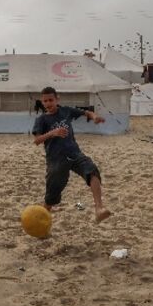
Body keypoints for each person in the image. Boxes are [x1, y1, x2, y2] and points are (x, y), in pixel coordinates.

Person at [31, 87, 112, 223]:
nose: (48, 103)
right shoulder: (42, 120)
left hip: (74, 154)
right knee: (52, 196)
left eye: (51, 100)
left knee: (92, 171)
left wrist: (94, 117)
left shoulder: (66, 111)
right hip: (56, 160)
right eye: (45, 101)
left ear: (57, 99)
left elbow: (86, 112)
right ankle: (41, 218)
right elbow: (37, 140)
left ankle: (99, 208)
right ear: (42, 102)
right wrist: (53, 133)